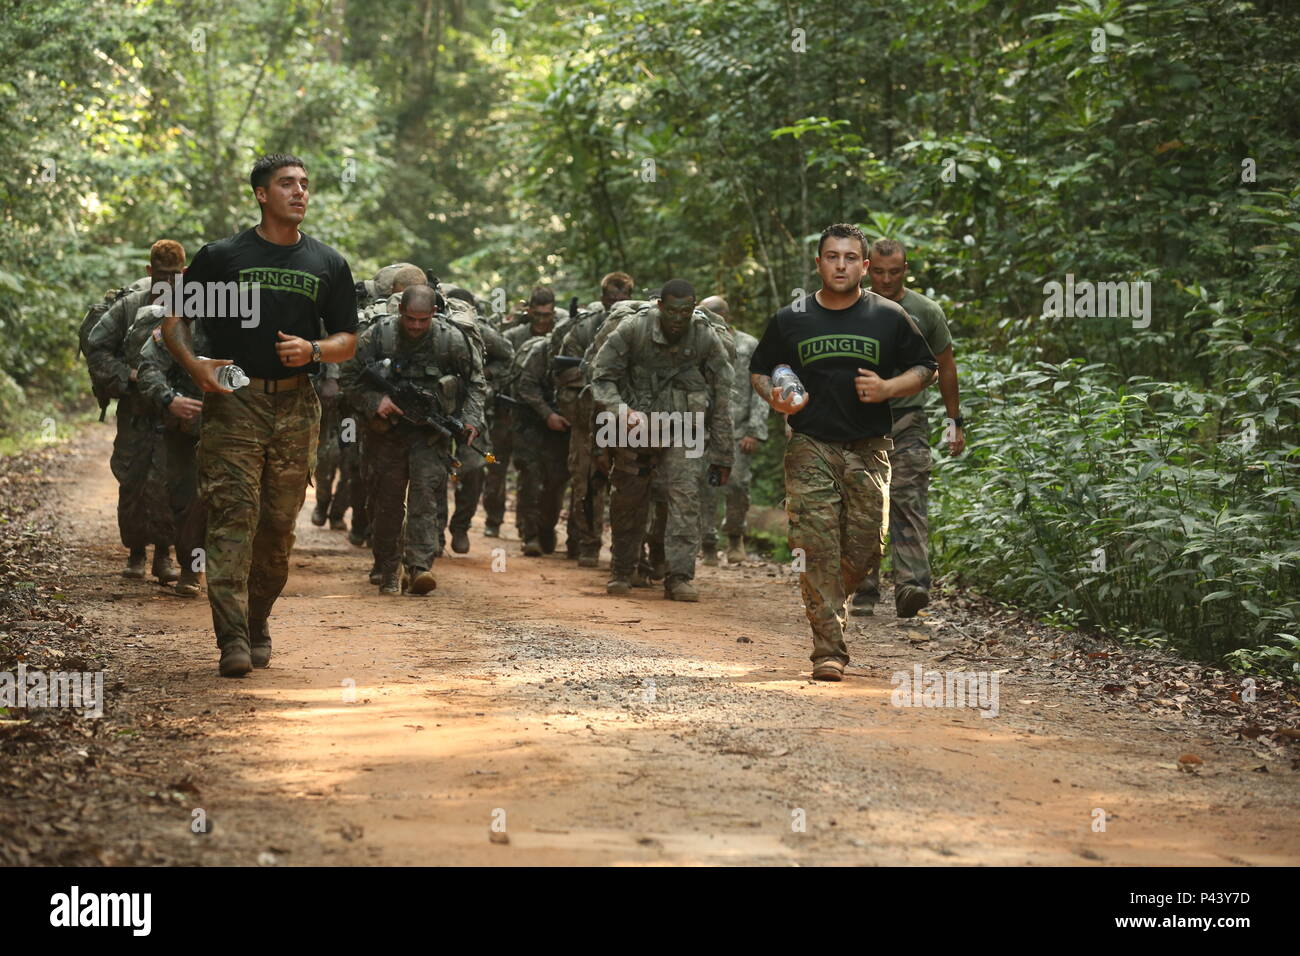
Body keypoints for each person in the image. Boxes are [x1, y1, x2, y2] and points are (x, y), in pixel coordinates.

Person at [161, 153, 357, 678]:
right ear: (261, 194)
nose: (300, 192)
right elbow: (174, 321)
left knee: (276, 527)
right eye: (287, 183)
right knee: (233, 518)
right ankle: (231, 639)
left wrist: (315, 350)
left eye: (305, 185)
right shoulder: (222, 256)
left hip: (297, 406)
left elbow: (348, 340)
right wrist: (194, 363)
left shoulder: (328, 264)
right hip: (235, 400)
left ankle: (257, 618)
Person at [749, 223, 937, 682]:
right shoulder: (791, 318)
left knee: (867, 547)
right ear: (818, 264)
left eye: (850, 258)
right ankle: (828, 651)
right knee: (815, 549)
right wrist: (774, 395)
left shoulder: (889, 316)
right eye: (832, 256)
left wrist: (889, 386)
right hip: (811, 445)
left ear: (865, 266)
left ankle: (829, 598)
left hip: (870, 450)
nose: (840, 265)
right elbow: (760, 369)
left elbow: (926, 367)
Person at [590, 279, 733, 601]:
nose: (679, 318)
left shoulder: (704, 336)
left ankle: (679, 576)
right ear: (659, 307)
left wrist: (724, 454)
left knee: (684, 499)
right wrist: (621, 410)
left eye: (686, 311)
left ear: (694, 308)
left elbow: (723, 394)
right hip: (633, 428)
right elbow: (601, 377)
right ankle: (622, 570)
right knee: (629, 499)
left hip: (685, 427)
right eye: (672, 311)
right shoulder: (633, 329)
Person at [339, 284, 487, 595]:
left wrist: (471, 420)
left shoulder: (452, 339)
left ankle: (420, 566)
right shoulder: (377, 336)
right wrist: (374, 401)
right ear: (400, 313)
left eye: (423, 320)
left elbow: (475, 383)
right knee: (386, 501)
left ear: (434, 314)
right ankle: (387, 565)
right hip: (386, 432)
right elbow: (347, 377)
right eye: (410, 319)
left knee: (426, 495)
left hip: (429, 433)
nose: (416, 326)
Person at [852, 238, 964, 617]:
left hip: (909, 419)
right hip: (860, 422)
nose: (886, 280)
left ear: (906, 269)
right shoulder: (853, 306)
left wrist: (954, 421)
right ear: (868, 268)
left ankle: (911, 587)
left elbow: (945, 366)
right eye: (879, 272)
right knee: (865, 506)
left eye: (894, 272)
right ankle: (864, 587)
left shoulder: (925, 310)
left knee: (909, 501)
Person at [84, 240, 185, 583]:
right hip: (136, 410)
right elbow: (96, 346)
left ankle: (164, 555)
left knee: (171, 481)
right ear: (149, 272)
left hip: (174, 413)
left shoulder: (193, 308)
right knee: (132, 479)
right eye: (161, 275)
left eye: (173, 276)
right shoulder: (130, 307)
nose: (167, 282)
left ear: (183, 274)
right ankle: (135, 552)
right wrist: (127, 376)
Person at [559, 272, 634, 566]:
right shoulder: (584, 327)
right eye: (612, 299)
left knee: (630, 484)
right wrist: (599, 375)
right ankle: (588, 542)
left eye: (623, 298)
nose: (617, 303)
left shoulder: (639, 325)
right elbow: (564, 372)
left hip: (628, 418)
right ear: (603, 299)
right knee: (586, 482)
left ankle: (627, 551)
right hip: (588, 417)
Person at [136, 298, 209, 598]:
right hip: (186, 430)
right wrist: (170, 399)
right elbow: (148, 368)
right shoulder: (181, 323)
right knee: (186, 499)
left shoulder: (251, 320)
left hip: (238, 424)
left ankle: (233, 573)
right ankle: (192, 568)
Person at [440, 286, 513, 555]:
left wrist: (484, 377)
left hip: (471, 408)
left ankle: (460, 526)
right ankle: (434, 532)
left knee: (473, 469)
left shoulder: (481, 331)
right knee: (434, 470)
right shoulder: (435, 328)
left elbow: (507, 358)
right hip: (436, 409)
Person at [697, 295, 769, 566]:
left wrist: (754, 430)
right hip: (704, 430)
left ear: (724, 317)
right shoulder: (698, 344)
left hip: (738, 431)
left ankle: (735, 538)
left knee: (737, 485)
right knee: (705, 487)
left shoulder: (748, 345)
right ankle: (707, 543)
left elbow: (761, 389)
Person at [485, 286, 558, 537]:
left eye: (546, 315)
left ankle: (527, 526)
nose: (541, 320)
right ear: (529, 311)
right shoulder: (513, 336)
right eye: (537, 314)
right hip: (505, 413)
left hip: (534, 418)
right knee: (494, 466)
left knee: (531, 471)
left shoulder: (559, 338)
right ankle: (493, 520)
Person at [512, 333, 571, 556]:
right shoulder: (541, 352)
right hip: (532, 425)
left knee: (556, 482)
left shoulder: (586, 352)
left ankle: (546, 528)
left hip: (564, 429)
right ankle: (530, 534)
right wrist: (547, 414)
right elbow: (526, 386)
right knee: (530, 477)